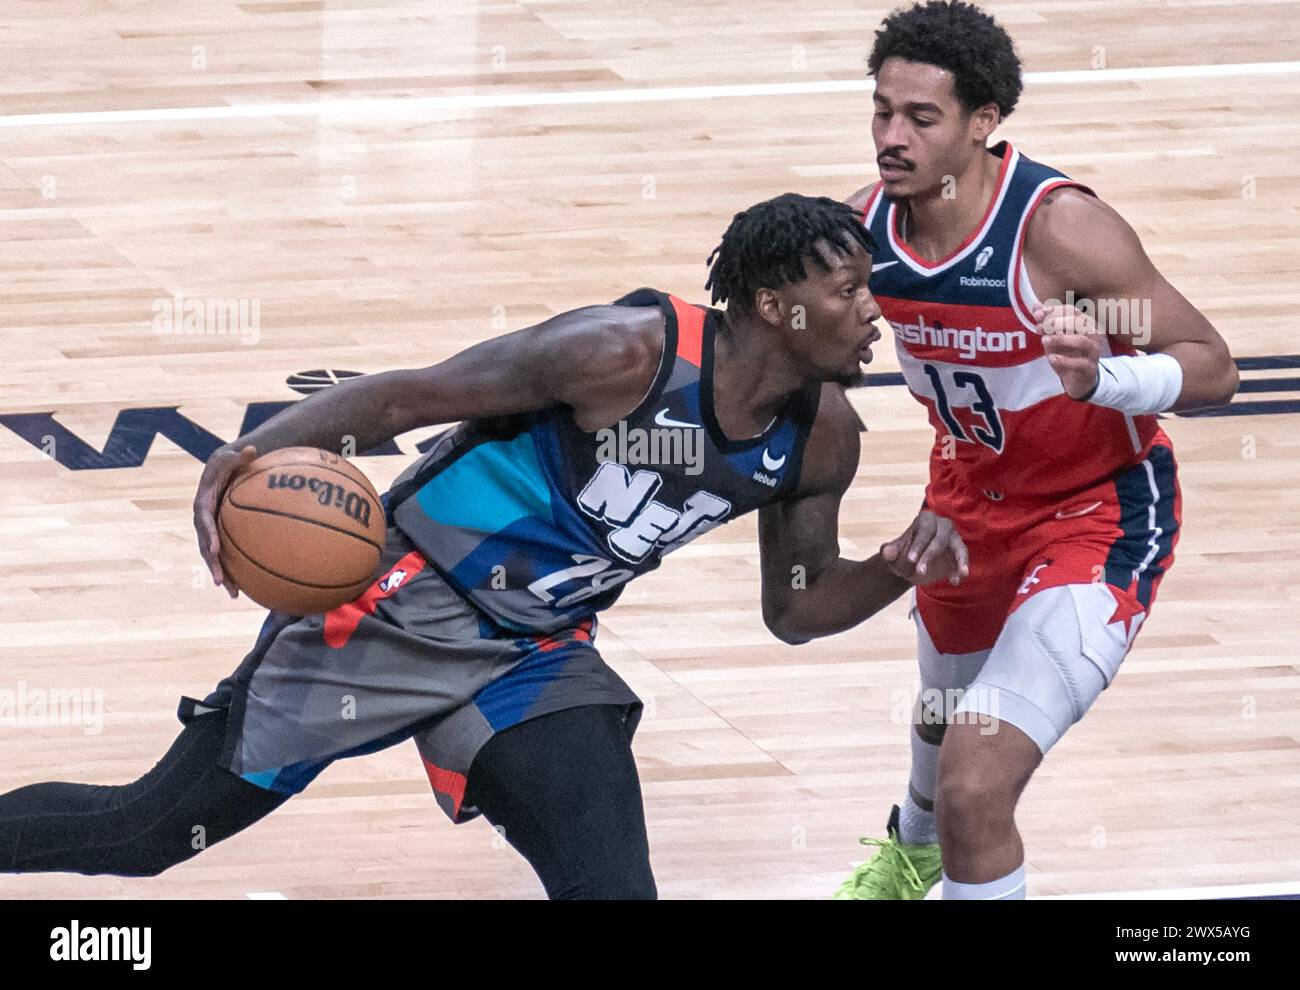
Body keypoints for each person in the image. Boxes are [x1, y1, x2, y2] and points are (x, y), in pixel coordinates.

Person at [0, 193, 967, 899]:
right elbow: (401, 398)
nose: (873, 310)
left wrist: (892, 569)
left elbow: (794, 610)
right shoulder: (622, 353)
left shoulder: (822, 434)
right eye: (848, 291)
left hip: (535, 655)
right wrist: (250, 451)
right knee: (143, 834)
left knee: (614, 893)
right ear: (771, 302)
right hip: (390, 611)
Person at [833, 1, 1239, 901]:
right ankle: (910, 860)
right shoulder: (865, 232)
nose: (890, 137)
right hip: (964, 511)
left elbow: (1214, 368)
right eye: (881, 110)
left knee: (977, 786)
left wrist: (1108, 383)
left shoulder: (1057, 230)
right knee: (939, 754)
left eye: (921, 118)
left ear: (984, 123)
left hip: (1097, 513)